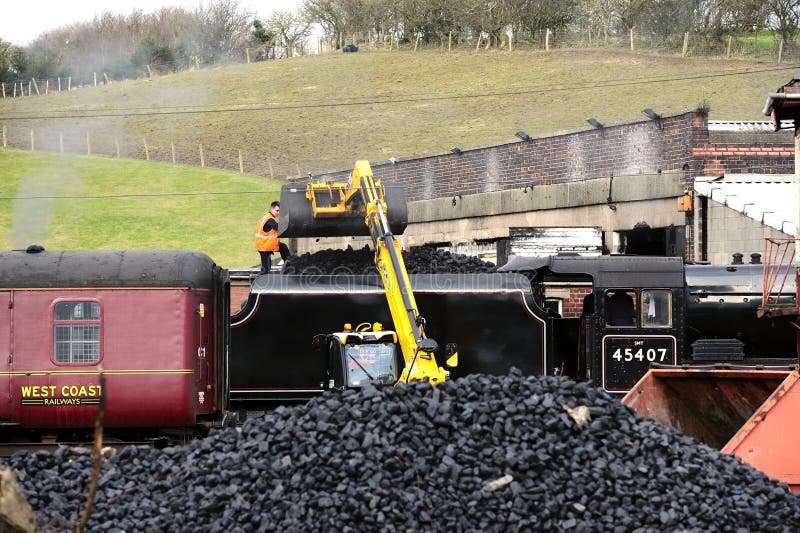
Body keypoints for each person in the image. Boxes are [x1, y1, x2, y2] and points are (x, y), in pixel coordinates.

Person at [254, 201, 289, 274]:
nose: (278, 213)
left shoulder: (267, 217)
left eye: (280, 211)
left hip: (266, 245)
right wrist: (286, 219)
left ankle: (288, 265)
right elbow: (278, 228)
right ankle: (257, 281)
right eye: (277, 210)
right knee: (265, 270)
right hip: (264, 247)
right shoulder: (269, 220)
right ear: (271, 209)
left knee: (283, 247)